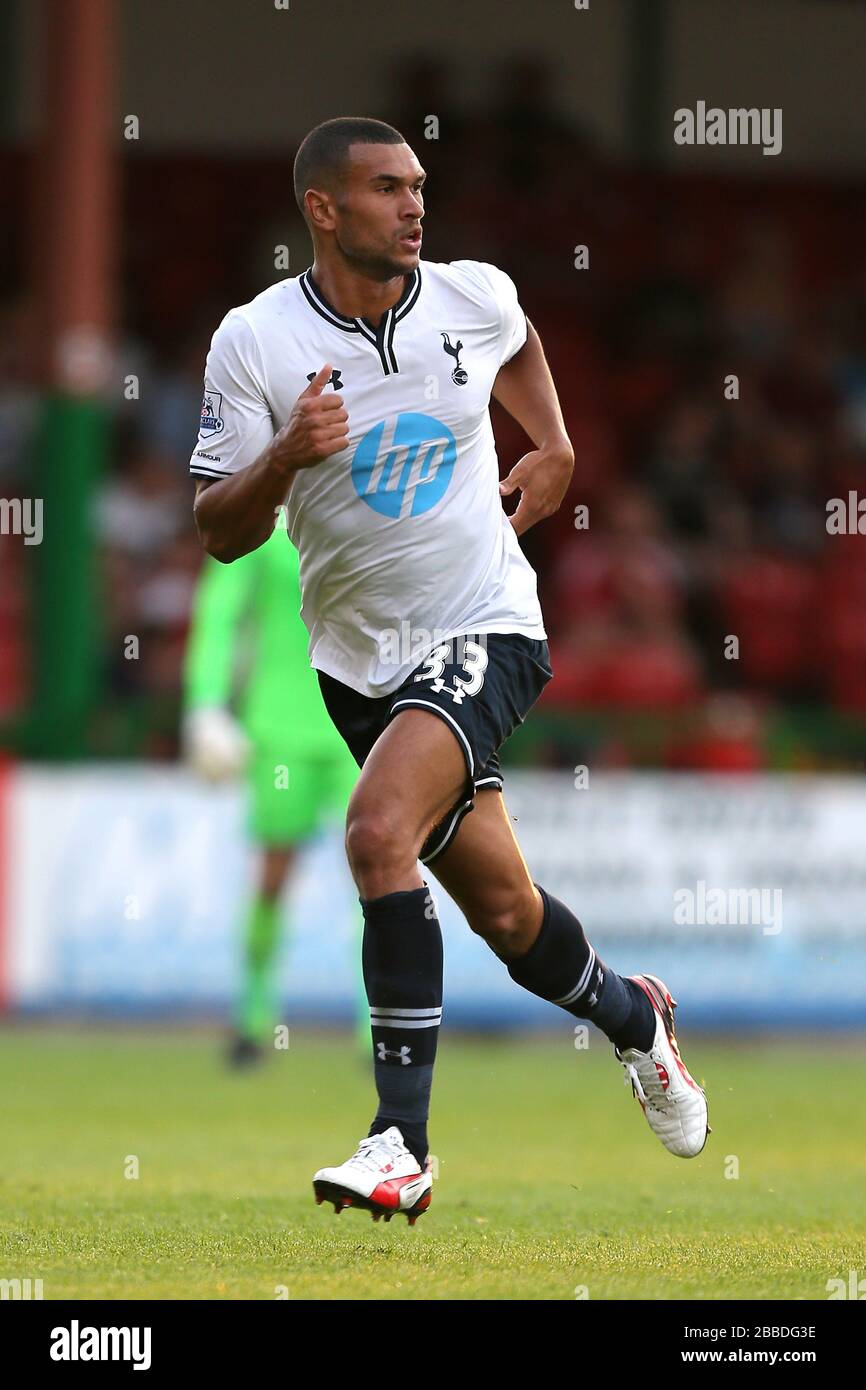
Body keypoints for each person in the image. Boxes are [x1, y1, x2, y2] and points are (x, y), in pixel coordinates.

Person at [191, 117, 709, 1226]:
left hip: (485, 624)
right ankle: (635, 1017)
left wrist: (555, 440)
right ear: (321, 211)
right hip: (355, 665)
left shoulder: (468, 292)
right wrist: (284, 455)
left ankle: (401, 1144)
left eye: (418, 185)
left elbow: (516, 338)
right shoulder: (254, 342)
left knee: (376, 833)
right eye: (385, 189)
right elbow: (220, 530)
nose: (413, 205)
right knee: (509, 916)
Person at [183, 519, 360, 1065]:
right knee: (273, 875)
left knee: (382, 878)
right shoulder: (258, 516)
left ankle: (379, 1032)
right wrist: (206, 702)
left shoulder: (366, 505)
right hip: (280, 726)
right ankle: (252, 1016)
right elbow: (219, 611)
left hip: (365, 723)